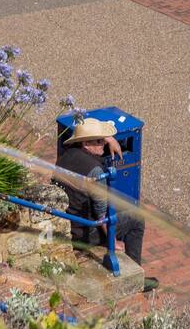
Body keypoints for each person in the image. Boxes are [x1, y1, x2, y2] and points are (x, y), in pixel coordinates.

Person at [53, 115, 157, 291]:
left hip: (69, 220)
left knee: (124, 207)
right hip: (86, 231)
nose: (103, 145)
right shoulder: (95, 171)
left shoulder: (66, 154)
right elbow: (102, 215)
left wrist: (108, 138)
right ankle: (136, 275)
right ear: (86, 144)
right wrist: (112, 240)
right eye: (99, 141)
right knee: (137, 218)